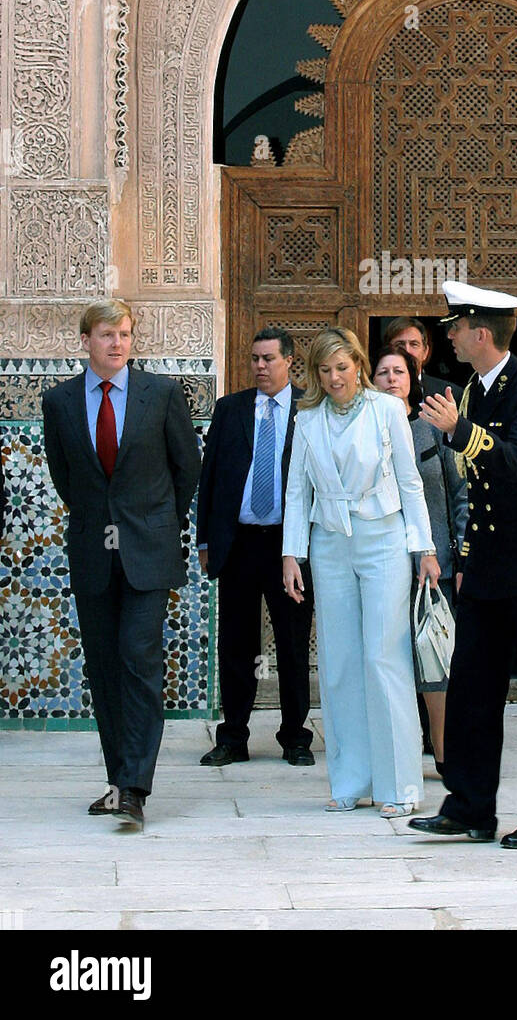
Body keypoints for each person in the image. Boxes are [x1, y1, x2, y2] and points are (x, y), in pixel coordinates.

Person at [409, 281, 517, 848]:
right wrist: (465, 557)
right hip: (487, 568)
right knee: (472, 690)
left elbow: (513, 463)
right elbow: (474, 491)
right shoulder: (474, 389)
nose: (449, 337)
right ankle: (470, 806)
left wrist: (457, 430)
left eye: (455, 328)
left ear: (481, 333)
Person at [42, 299, 201, 827]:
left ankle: (135, 785)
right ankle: (117, 781)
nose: (117, 343)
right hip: (92, 552)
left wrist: (159, 524)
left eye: (126, 334)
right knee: (105, 668)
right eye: (107, 334)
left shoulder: (161, 394)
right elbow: (66, 476)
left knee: (138, 659)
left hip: (148, 554)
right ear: (86, 339)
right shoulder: (59, 401)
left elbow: (187, 467)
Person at [282, 327, 439, 817]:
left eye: (342, 368)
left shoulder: (387, 410)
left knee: (383, 657)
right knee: (340, 660)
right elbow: (295, 491)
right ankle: (351, 781)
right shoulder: (307, 419)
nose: (334, 379)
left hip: (383, 540)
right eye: (325, 371)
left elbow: (411, 483)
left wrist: (425, 548)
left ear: (357, 364)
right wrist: (292, 554)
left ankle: (400, 786)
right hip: (329, 543)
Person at [196, 327, 314, 767]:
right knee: (237, 643)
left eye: (268, 359)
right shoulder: (231, 409)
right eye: (254, 359)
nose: (260, 367)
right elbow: (210, 478)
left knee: (292, 641)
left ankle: (295, 737)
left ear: (288, 361)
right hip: (240, 543)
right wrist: (206, 537)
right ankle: (233, 737)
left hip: (290, 546)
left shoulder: (310, 408)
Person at [372, 344, 468, 774]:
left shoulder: (432, 430)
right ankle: (399, 755)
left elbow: (460, 496)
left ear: (413, 379)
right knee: (388, 660)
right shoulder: (364, 429)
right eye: (383, 372)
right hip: (382, 564)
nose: (391, 379)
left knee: (436, 661)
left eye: (399, 372)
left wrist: (463, 558)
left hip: (436, 565)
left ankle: (446, 753)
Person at [383, 316, 458, 399]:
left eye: (414, 344)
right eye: (400, 344)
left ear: (425, 352)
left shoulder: (451, 395)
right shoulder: (373, 393)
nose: (407, 351)